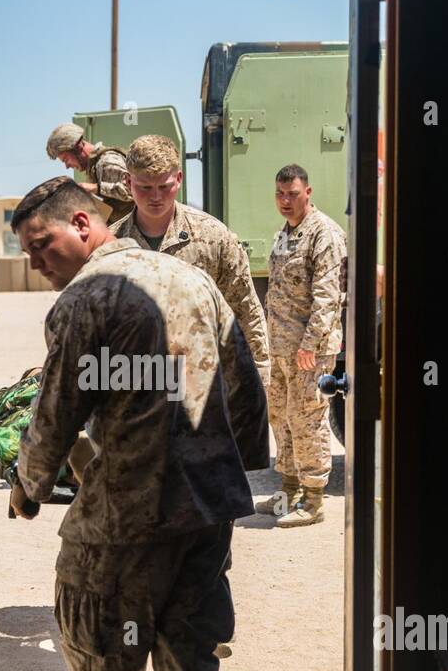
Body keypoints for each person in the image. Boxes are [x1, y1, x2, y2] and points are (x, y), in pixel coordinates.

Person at [8, 177, 268, 671]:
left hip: (130, 507)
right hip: (206, 504)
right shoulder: (188, 278)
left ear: (82, 223)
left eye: (42, 244)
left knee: (88, 612)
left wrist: (28, 486)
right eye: (27, 253)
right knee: (190, 635)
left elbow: (55, 413)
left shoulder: (84, 300)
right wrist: (241, 465)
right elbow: (241, 379)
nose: (36, 261)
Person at [112, 134, 271, 386]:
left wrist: (258, 376)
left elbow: (245, 310)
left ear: (179, 179)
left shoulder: (214, 238)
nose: (156, 197)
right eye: (145, 187)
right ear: (127, 181)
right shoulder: (112, 246)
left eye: (165, 187)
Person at [255, 164, 345, 527]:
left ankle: (313, 500)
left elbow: (327, 296)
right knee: (282, 417)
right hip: (282, 348)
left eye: (292, 194)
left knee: (308, 419)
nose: (285, 201)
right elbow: (277, 292)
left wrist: (310, 344)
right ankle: (288, 491)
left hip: (310, 350)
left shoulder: (324, 234)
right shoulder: (284, 234)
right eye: (280, 194)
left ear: (307, 192)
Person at [45, 122, 135, 222]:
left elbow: (133, 191)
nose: (67, 166)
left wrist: (96, 188)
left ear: (77, 148)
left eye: (66, 159)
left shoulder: (106, 161)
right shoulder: (96, 167)